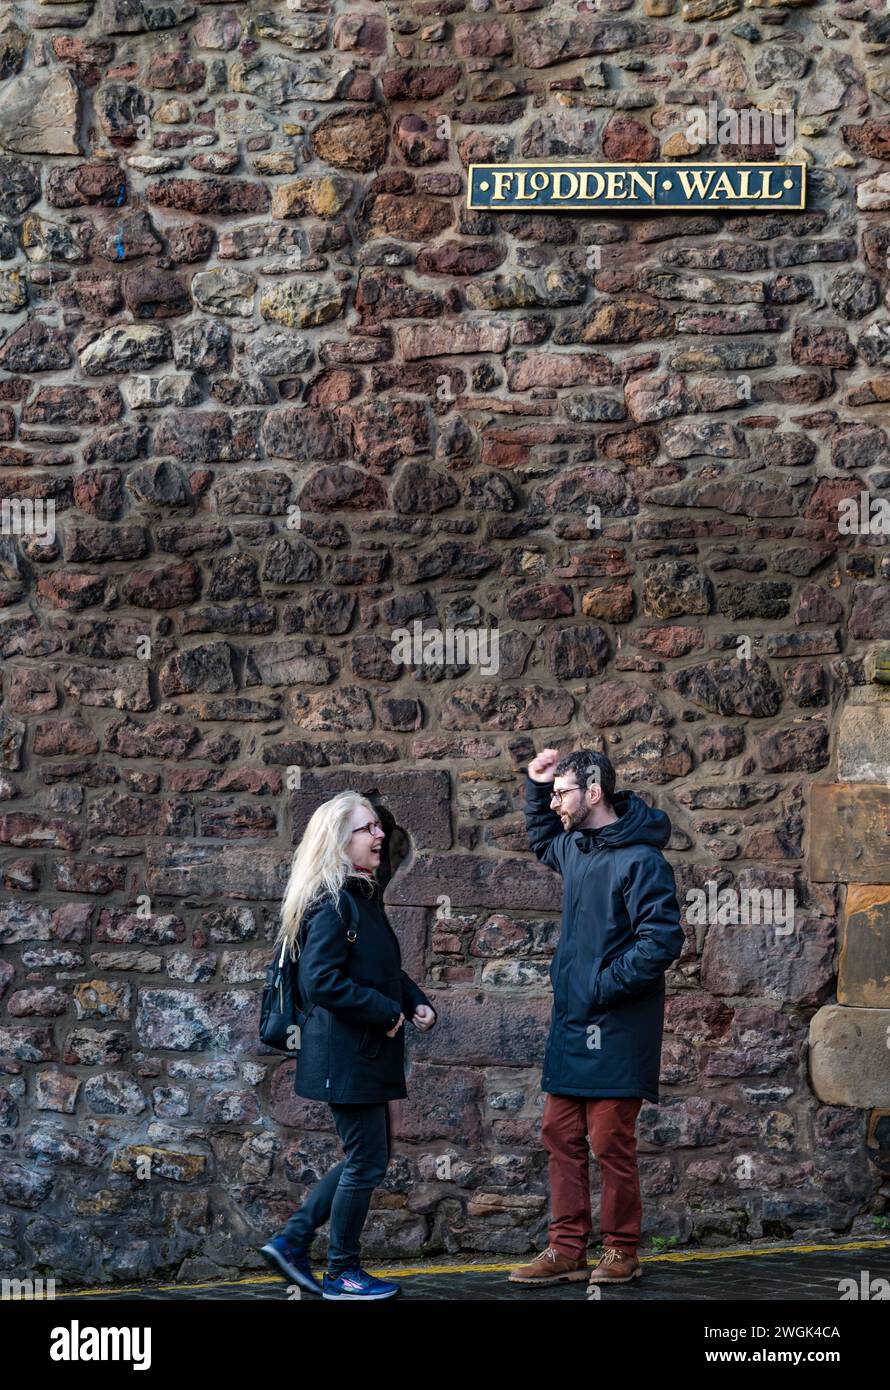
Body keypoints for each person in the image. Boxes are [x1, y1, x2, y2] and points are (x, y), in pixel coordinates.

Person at [509, 747, 684, 1289]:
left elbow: (662, 939)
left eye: (562, 792)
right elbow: (542, 839)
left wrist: (600, 986)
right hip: (571, 1024)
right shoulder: (576, 846)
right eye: (554, 794)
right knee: (558, 1133)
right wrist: (536, 784)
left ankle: (621, 1250)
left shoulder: (643, 859)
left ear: (594, 792)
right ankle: (566, 1250)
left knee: (609, 1139)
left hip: (618, 1024)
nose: (556, 802)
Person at [260, 791, 437, 1301]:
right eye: (366, 829)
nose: (380, 834)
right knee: (366, 1160)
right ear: (339, 840)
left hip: (365, 1052)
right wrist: (388, 1012)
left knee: (367, 1156)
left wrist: (413, 999)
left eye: (378, 826)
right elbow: (321, 982)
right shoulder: (333, 901)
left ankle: (294, 1241)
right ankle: (338, 1270)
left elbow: (381, 970)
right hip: (347, 1052)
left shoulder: (362, 895)